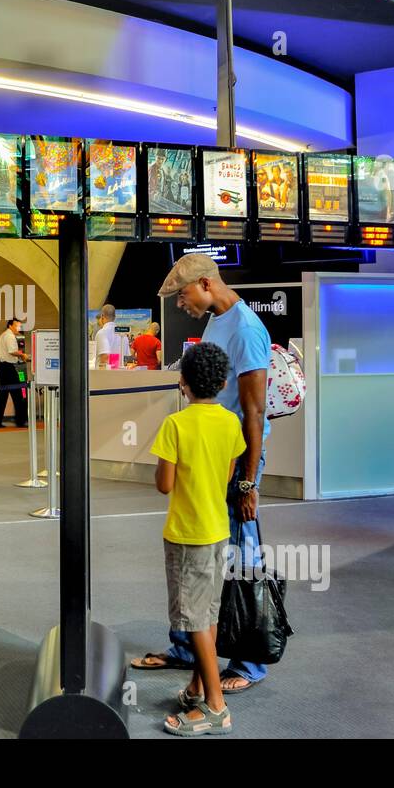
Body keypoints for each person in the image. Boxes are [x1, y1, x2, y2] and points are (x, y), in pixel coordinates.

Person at [133, 253, 273, 694]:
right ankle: (189, 648)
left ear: (207, 284)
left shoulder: (248, 329)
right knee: (202, 553)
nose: (180, 305)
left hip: (234, 457)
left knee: (238, 554)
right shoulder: (217, 322)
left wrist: (247, 483)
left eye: (182, 295)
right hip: (211, 453)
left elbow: (253, 411)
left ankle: (249, 662)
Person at [150, 342, 246, 736]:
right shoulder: (231, 423)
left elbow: (163, 484)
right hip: (217, 531)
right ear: (223, 383)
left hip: (187, 535)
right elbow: (226, 475)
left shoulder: (175, 425)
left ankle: (216, 707)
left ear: (183, 382)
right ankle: (197, 686)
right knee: (208, 612)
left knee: (194, 620)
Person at [0, 318, 28, 428]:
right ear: (10, 325)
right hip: (9, 368)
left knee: (2, 394)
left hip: (2, 366)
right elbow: (12, 351)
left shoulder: (3, 335)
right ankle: (20, 421)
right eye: (17, 326)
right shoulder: (9, 336)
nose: (19, 328)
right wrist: (23, 355)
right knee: (18, 393)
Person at [94, 304, 127, 369]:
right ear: (114, 317)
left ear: (102, 316)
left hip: (106, 376)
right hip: (120, 374)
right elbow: (127, 357)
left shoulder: (102, 333)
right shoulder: (123, 335)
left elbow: (104, 357)